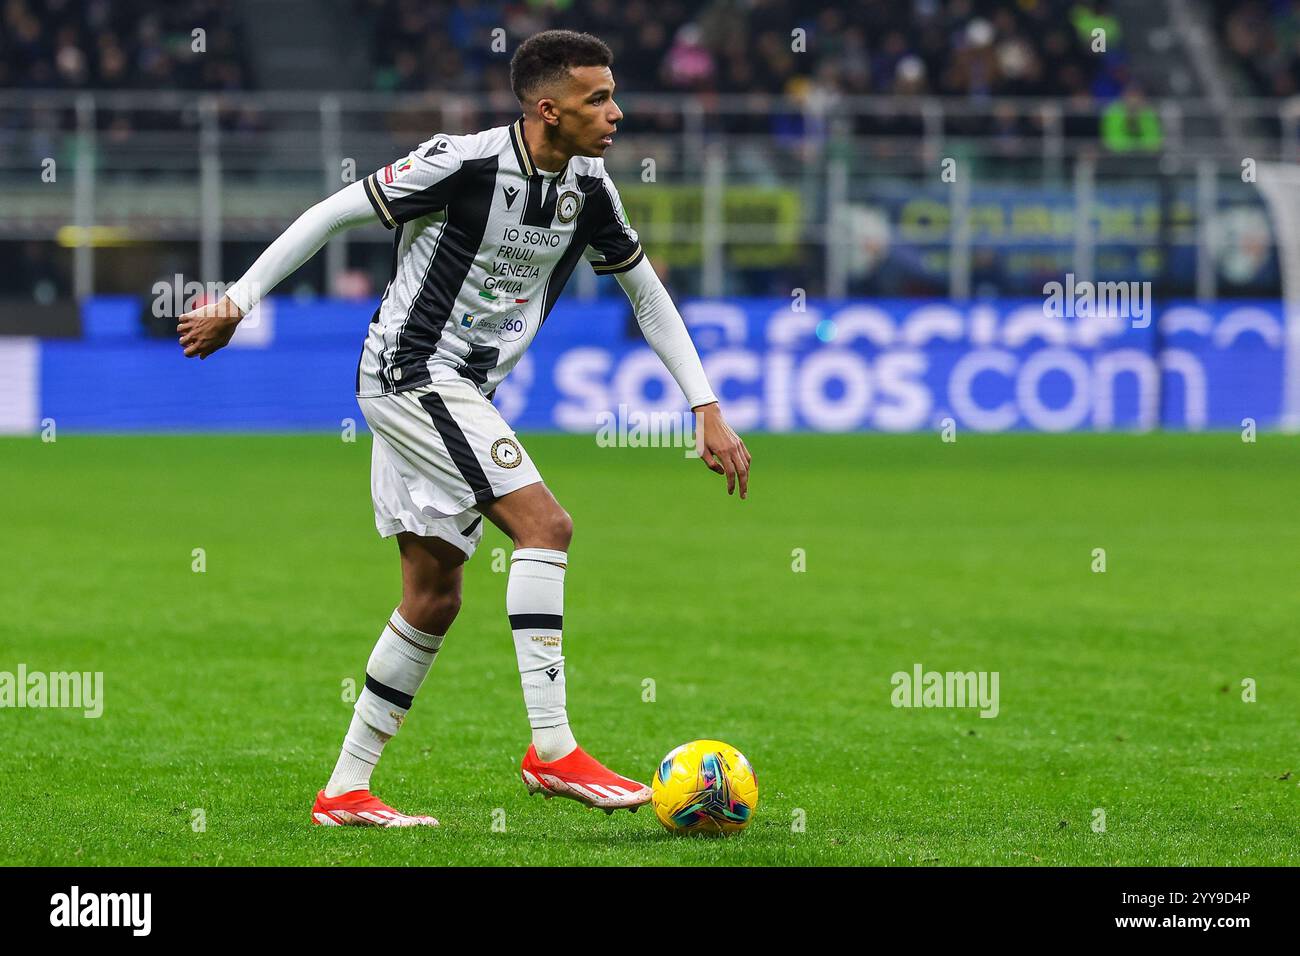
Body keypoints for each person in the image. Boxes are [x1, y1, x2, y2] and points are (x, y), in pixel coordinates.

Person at [176, 30, 751, 827]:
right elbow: (331, 214)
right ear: (548, 110)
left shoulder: (590, 187)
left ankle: (344, 790)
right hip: (410, 375)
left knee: (433, 596)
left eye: (613, 95)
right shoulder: (462, 162)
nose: (616, 112)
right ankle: (553, 751)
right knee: (545, 526)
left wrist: (706, 405)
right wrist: (236, 300)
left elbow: (647, 296)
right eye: (598, 99)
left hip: (461, 390)